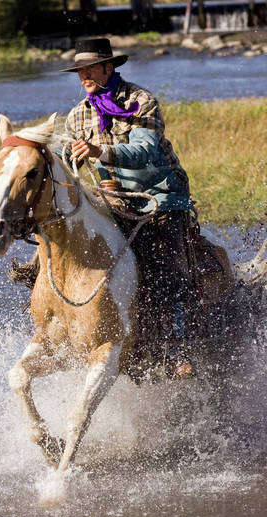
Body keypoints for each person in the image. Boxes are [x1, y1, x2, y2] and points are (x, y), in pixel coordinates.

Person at [61, 38, 196, 377]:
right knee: (63, 244)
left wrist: (99, 152)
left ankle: (173, 346)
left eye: (91, 68)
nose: (85, 75)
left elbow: (146, 151)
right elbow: (68, 159)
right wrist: (67, 158)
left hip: (158, 196)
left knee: (164, 265)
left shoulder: (141, 101)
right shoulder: (77, 116)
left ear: (109, 67)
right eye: (80, 70)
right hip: (109, 199)